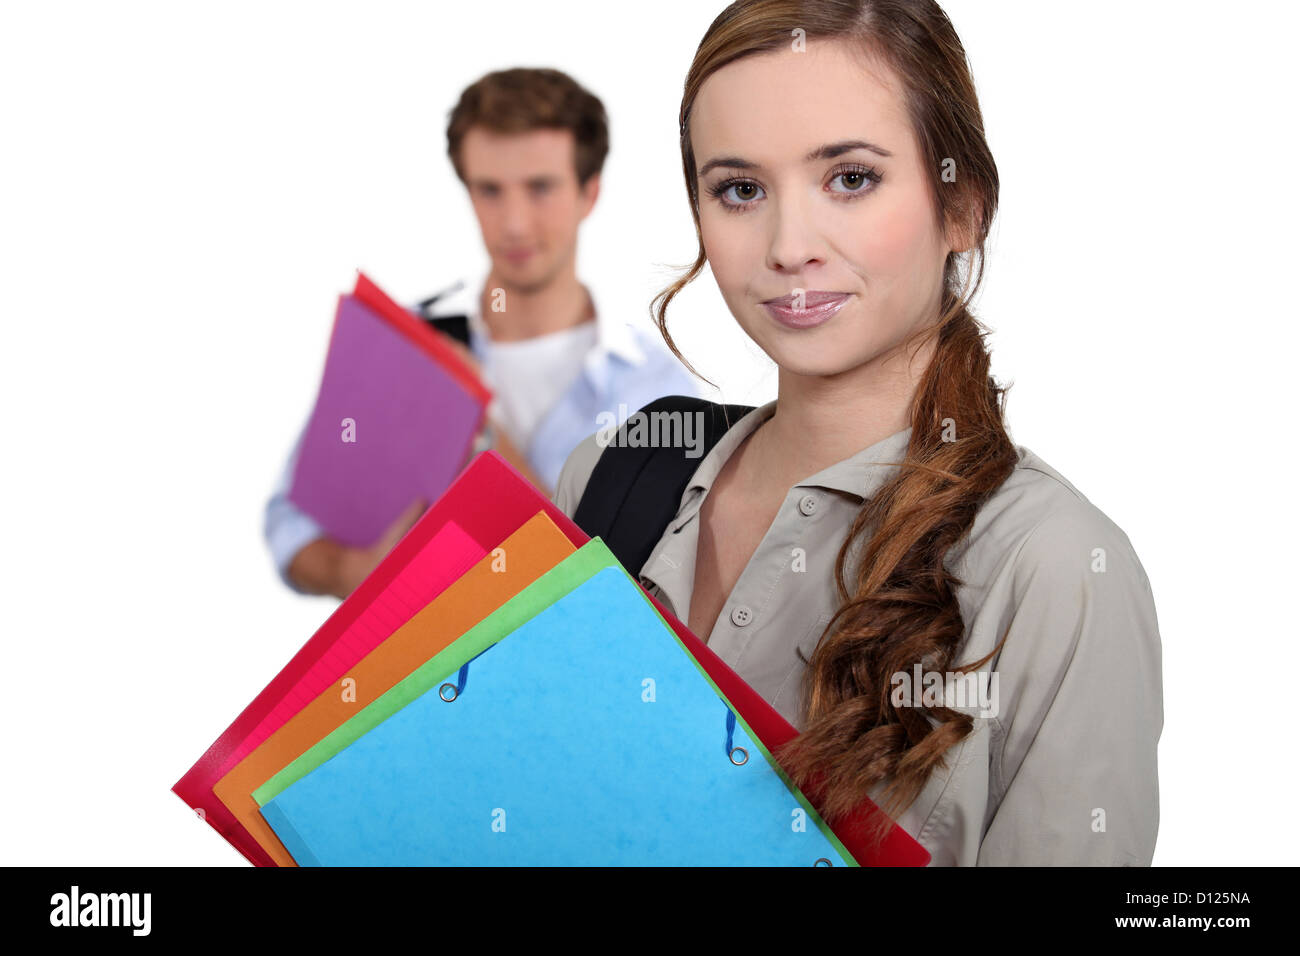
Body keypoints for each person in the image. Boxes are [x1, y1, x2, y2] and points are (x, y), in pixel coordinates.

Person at [553, 0, 1162, 866]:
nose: (789, 245)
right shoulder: (614, 471)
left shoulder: (1054, 566)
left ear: (963, 207)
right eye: (741, 190)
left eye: (849, 178)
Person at [265, 67, 704, 599]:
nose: (514, 223)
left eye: (540, 187)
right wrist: (352, 573)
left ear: (589, 193)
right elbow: (291, 519)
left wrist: (475, 424)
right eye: (489, 190)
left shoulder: (657, 392)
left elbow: (616, 599)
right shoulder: (402, 343)